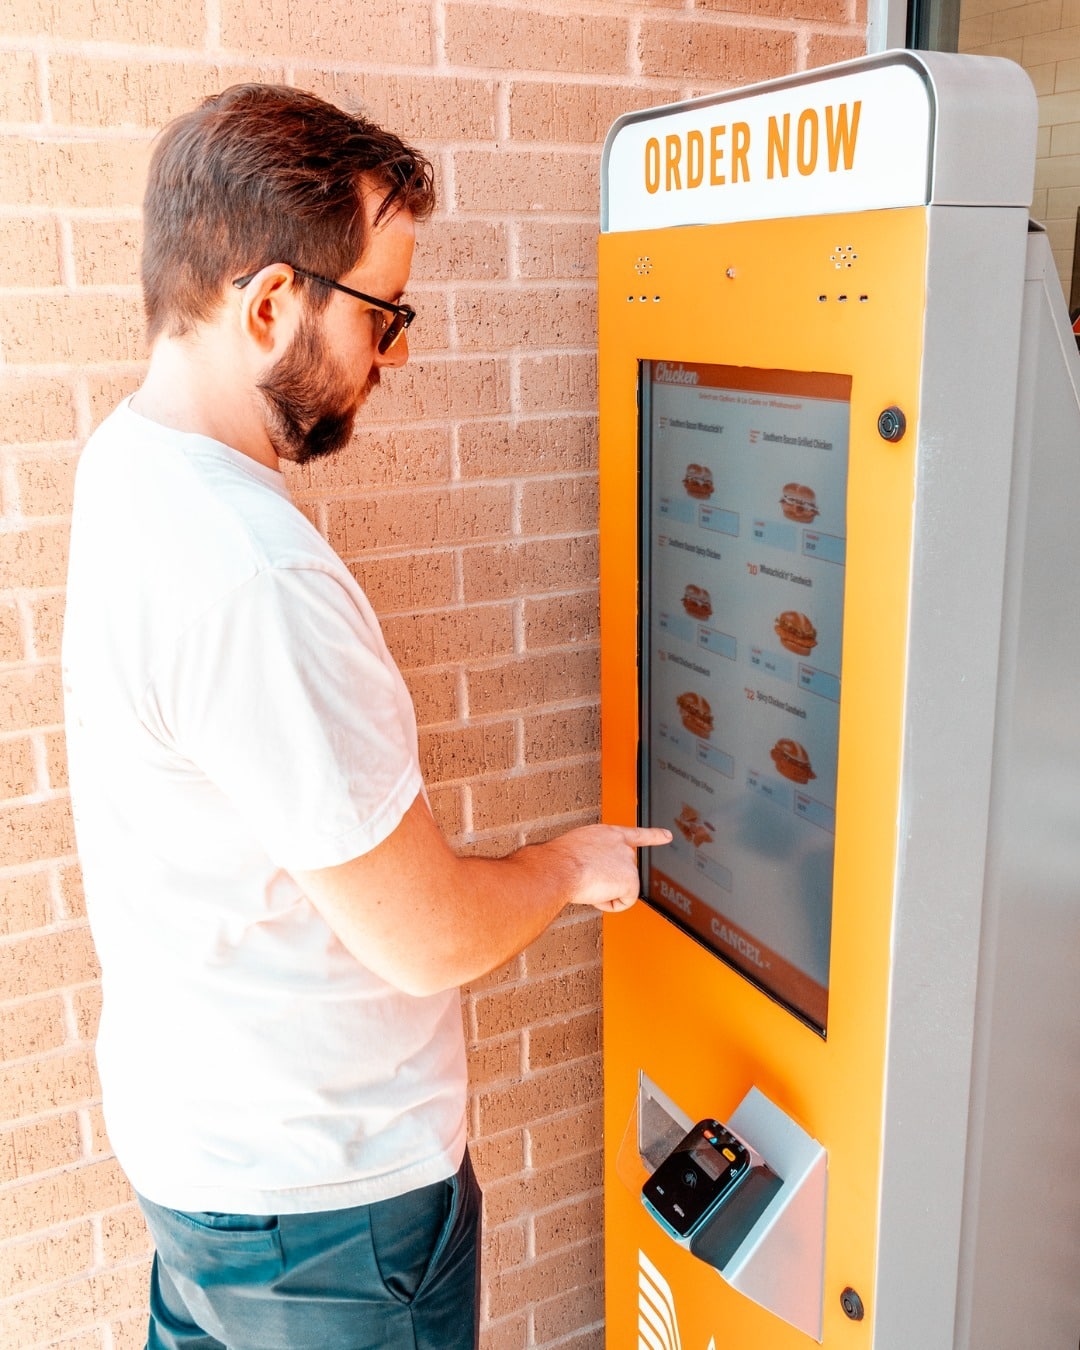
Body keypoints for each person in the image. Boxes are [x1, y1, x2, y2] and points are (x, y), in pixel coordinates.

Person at [61, 83, 670, 1350]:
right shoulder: (255, 573)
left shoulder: (129, 466)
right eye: (384, 314)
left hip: (210, 1173)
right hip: (328, 1218)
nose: (397, 356)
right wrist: (569, 865)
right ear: (272, 304)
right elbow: (425, 937)